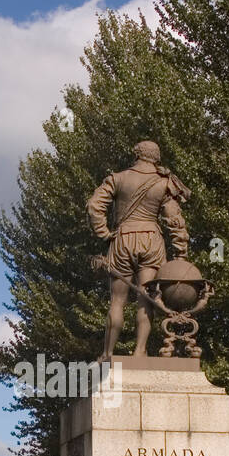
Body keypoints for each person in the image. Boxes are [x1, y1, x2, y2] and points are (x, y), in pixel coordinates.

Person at [87, 141, 191, 358]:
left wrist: (104, 233)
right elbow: (175, 220)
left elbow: (94, 205)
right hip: (151, 241)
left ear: (137, 155)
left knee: (117, 300)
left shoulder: (118, 178)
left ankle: (107, 353)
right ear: (157, 157)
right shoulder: (164, 182)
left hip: (123, 239)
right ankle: (140, 352)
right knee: (146, 299)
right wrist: (181, 252)